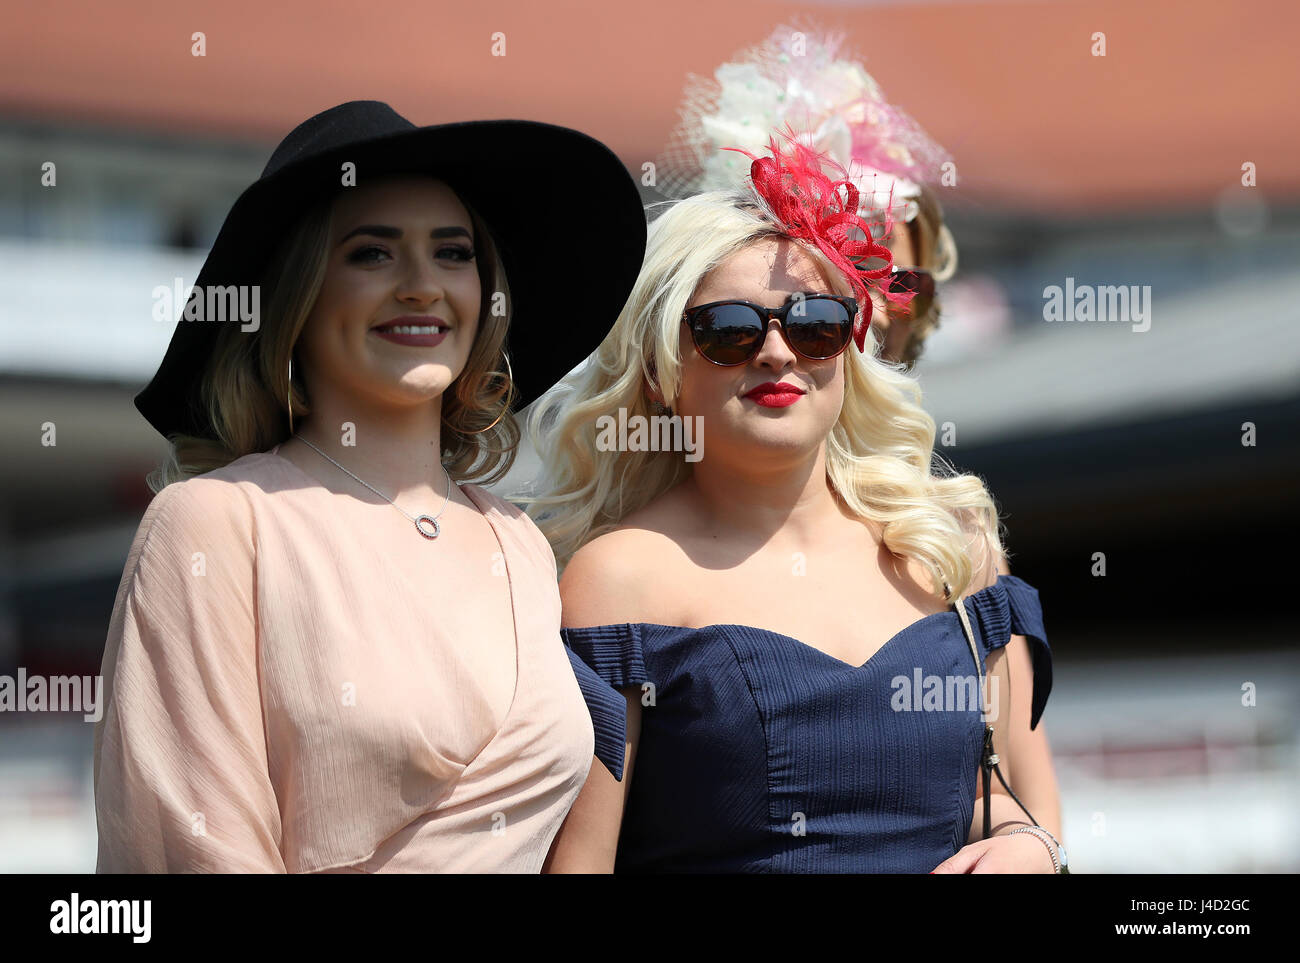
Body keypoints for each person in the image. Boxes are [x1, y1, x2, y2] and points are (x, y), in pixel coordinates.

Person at [92, 100, 647, 873]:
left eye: (452, 253)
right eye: (372, 254)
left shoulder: (518, 541)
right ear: (296, 295)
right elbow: (193, 843)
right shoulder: (216, 523)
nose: (422, 285)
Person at [528, 136, 1060, 873]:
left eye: (815, 325)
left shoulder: (950, 546)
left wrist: (1030, 847)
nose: (777, 352)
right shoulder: (617, 578)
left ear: (850, 348)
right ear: (657, 371)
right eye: (728, 331)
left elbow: (1010, 800)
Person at [658, 22, 1061, 837]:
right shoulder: (632, 553)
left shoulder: (951, 533)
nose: (871, 309)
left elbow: (1025, 797)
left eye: (891, 280)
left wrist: (1028, 842)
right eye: (741, 321)